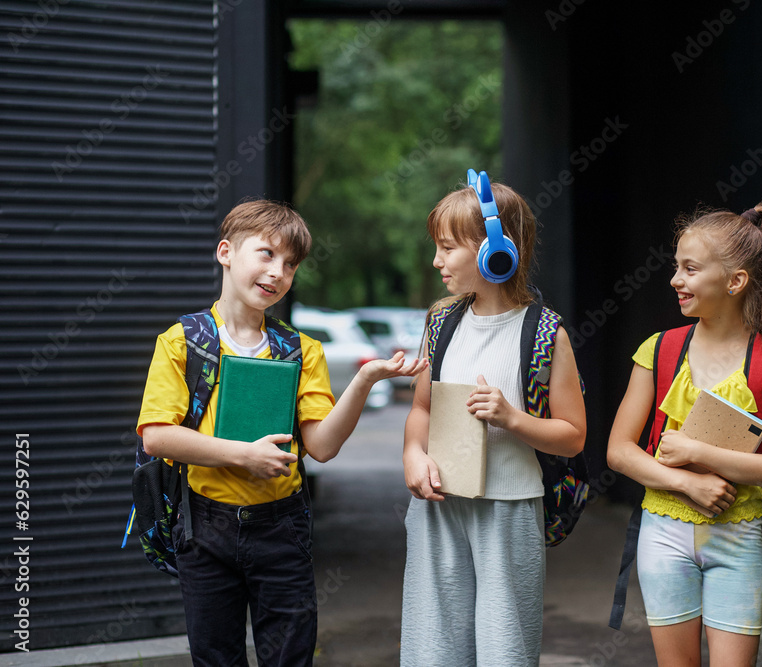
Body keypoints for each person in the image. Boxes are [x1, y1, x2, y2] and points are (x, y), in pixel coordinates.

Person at [137, 199, 426, 666]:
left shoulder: (301, 350)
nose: (278, 272)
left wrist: (365, 379)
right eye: (267, 254)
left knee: (290, 657)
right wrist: (242, 455)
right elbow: (157, 436)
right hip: (204, 528)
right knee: (216, 659)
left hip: (282, 527)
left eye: (290, 264)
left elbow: (323, 446)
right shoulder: (182, 342)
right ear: (226, 252)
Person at [606, 203, 762, 666]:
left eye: (691, 269)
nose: (676, 279)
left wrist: (696, 450)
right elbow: (618, 451)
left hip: (739, 539)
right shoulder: (658, 351)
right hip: (663, 534)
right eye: (676, 267)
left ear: (735, 282)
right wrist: (686, 481)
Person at [400, 174, 587, 666]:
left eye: (446, 248)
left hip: (509, 509)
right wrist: (413, 456)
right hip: (437, 506)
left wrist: (512, 418)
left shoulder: (546, 333)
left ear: (494, 251)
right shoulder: (439, 323)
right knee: (431, 647)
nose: (437, 261)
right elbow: (422, 407)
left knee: (506, 647)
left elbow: (572, 437)